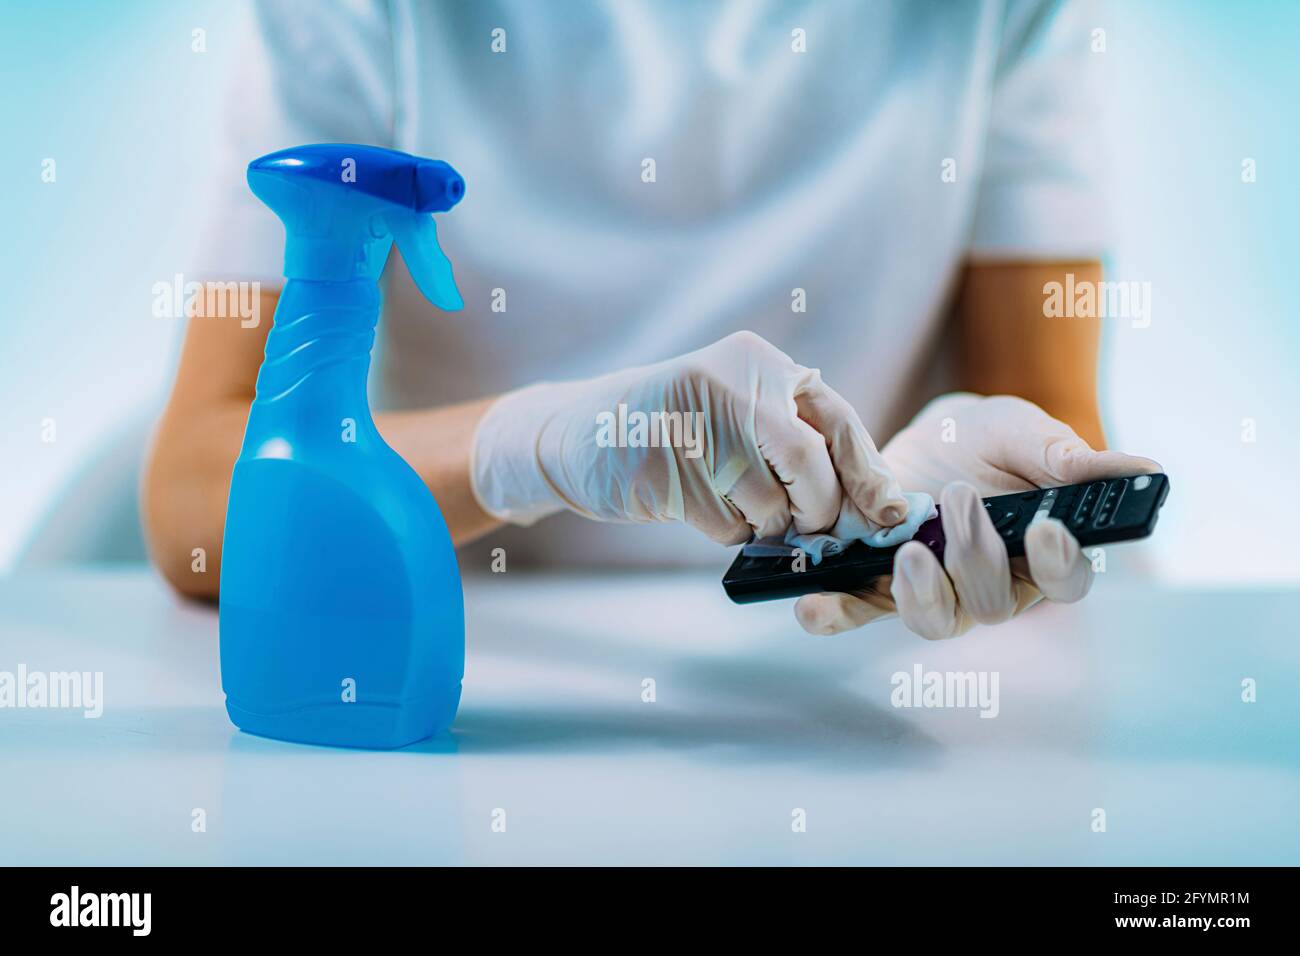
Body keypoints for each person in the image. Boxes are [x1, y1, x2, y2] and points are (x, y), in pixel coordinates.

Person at [142, 0, 1159, 640]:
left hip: (861, 670)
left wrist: (926, 488)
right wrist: (526, 448)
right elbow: (195, 497)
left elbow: (1048, 412)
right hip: (465, 636)